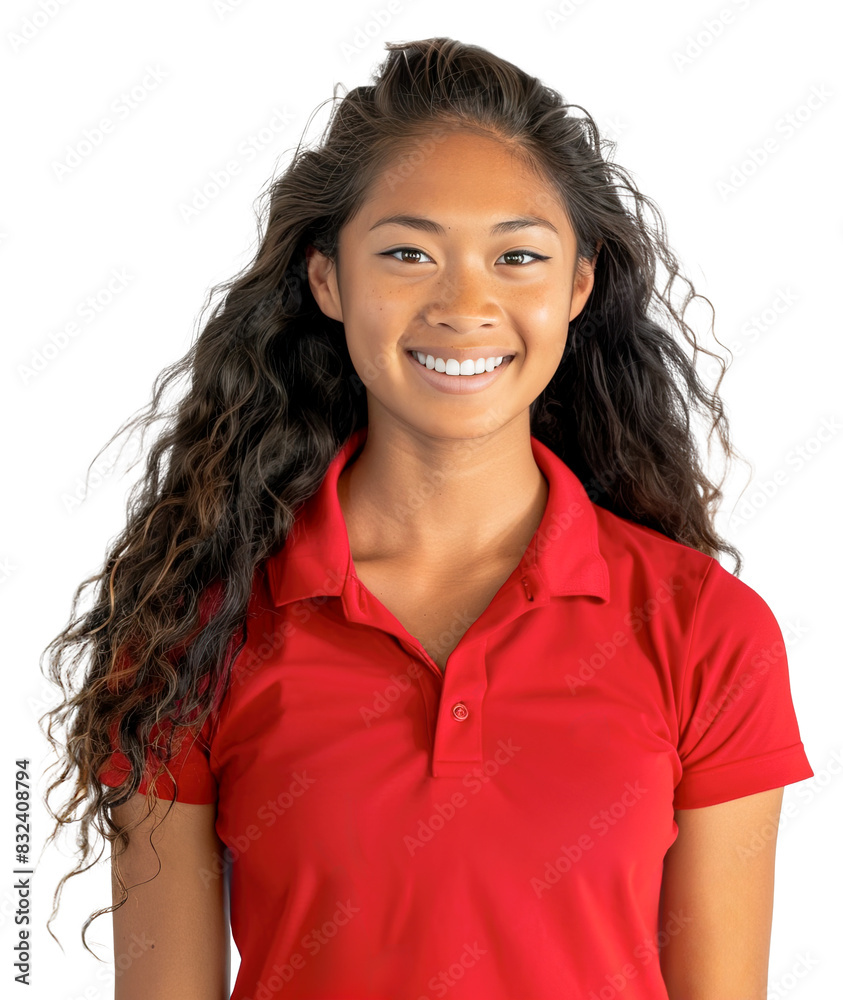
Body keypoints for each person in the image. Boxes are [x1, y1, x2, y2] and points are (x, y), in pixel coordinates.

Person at [41, 36, 814, 999]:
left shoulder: (706, 630)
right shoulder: (190, 625)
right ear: (327, 279)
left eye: (517, 255)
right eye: (407, 252)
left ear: (577, 286)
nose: (465, 301)